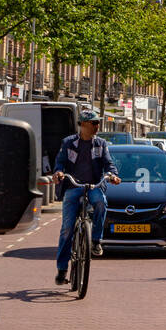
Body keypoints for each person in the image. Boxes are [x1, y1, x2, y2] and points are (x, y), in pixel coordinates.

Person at [52, 110, 122, 284]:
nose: (97, 126)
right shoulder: (68, 143)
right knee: (67, 229)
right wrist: (59, 172)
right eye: (94, 123)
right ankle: (62, 269)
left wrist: (112, 175)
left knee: (100, 202)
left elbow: (109, 164)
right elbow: (60, 162)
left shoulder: (100, 144)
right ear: (83, 125)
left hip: (93, 185)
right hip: (73, 186)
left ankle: (96, 240)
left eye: (98, 123)